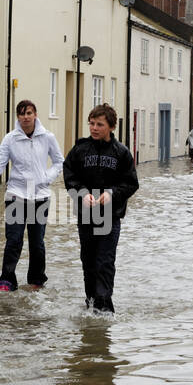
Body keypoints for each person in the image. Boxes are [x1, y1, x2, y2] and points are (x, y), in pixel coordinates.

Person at [0, 99, 64, 291]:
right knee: (14, 239)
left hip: (40, 196)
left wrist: (46, 178)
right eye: (22, 113)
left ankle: (36, 279)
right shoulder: (10, 139)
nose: (26, 117)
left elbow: (59, 162)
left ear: (35, 115)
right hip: (16, 194)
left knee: (37, 242)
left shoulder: (47, 137)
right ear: (18, 117)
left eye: (29, 113)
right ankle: (7, 280)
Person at [63, 104, 139, 313]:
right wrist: (80, 192)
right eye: (91, 124)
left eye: (99, 124)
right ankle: (91, 302)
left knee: (105, 260)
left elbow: (131, 183)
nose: (94, 128)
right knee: (88, 260)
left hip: (110, 216)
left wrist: (112, 194)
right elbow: (69, 174)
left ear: (111, 127)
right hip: (86, 214)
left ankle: (104, 307)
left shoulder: (121, 153)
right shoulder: (80, 148)